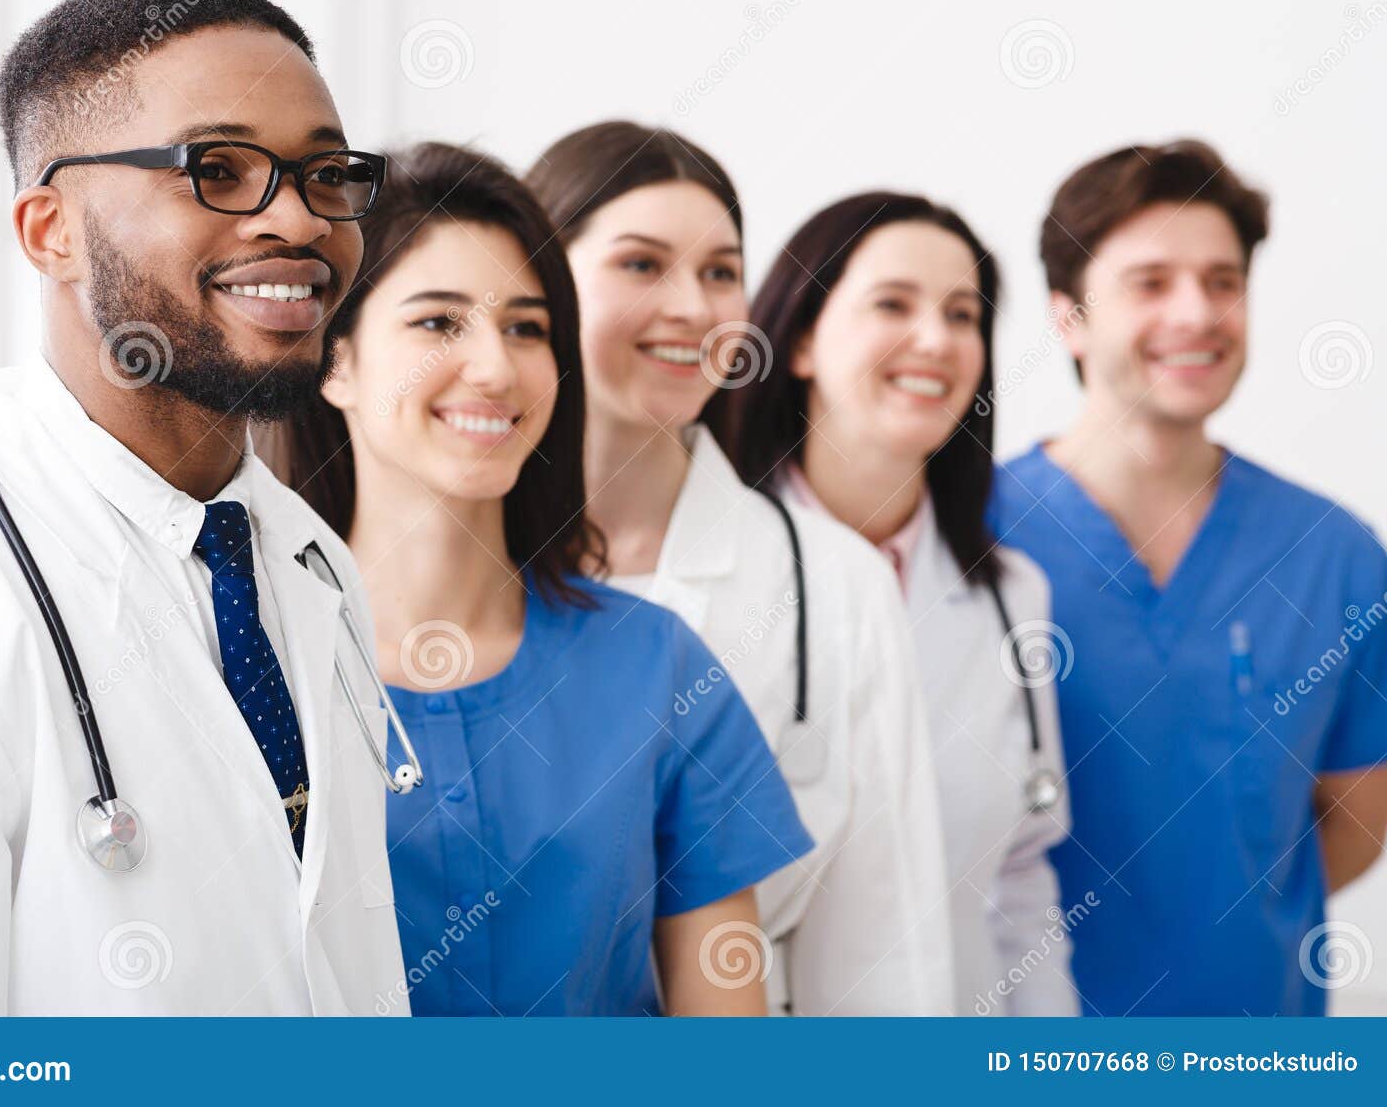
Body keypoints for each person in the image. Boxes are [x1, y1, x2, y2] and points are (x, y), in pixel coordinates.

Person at [0, 0, 407, 1014]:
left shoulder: (310, 560)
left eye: (325, 173)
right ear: (50, 230)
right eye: (218, 169)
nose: (301, 219)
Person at [273, 142, 812, 1016]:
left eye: (526, 328)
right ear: (334, 360)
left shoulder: (658, 666)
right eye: (439, 322)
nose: (495, 367)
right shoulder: (253, 665)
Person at [526, 123, 953, 1015]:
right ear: (538, 280)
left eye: (721, 272)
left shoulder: (836, 585)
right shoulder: (443, 566)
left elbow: (885, 953)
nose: (693, 307)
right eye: (642, 264)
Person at [988, 139, 1387, 1015]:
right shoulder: (973, 540)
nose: (1198, 312)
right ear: (1069, 318)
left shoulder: (1334, 554)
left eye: (1223, 281)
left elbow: (1356, 819)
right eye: (1151, 282)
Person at [715, 191, 1076, 1016]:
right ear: (801, 339)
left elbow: (1020, 878)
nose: (936, 340)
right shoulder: (716, 575)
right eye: (893, 304)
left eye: (962, 314)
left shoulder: (1014, 597)